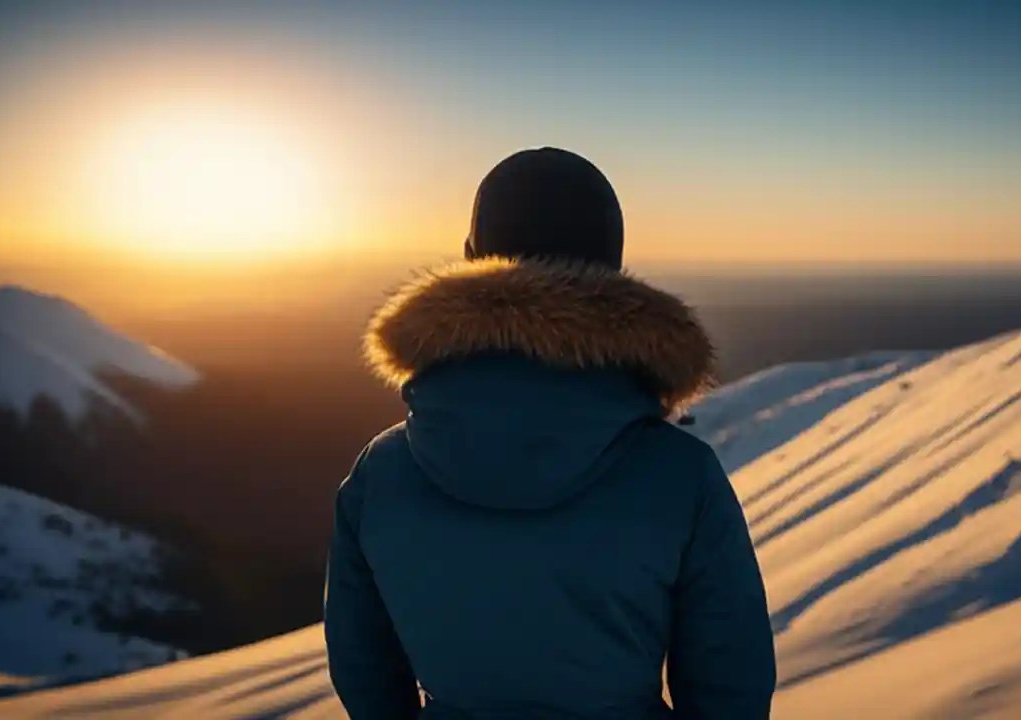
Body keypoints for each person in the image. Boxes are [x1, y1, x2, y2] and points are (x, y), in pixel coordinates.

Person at [325, 147, 775, 719]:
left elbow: (363, 664)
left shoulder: (383, 471)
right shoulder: (681, 474)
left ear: (470, 261)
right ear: (612, 275)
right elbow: (729, 679)